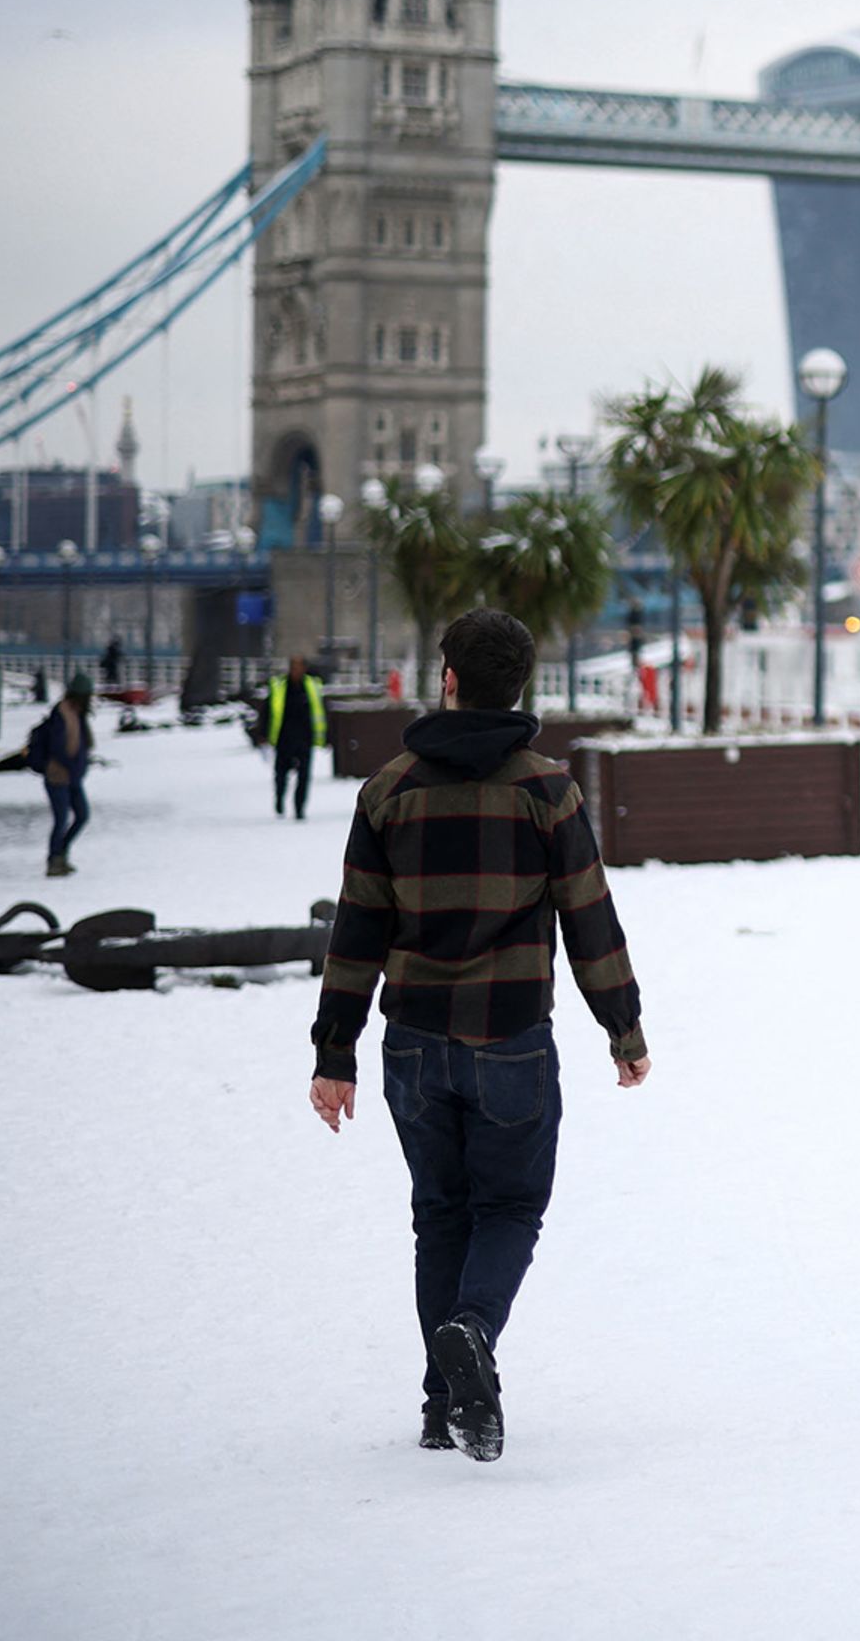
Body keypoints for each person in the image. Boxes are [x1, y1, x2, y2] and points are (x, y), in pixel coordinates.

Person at [307, 608, 652, 1464]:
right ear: (521, 686)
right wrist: (624, 1027)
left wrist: (333, 1053)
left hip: (414, 1044)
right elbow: (589, 919)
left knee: (440, 1217)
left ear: (449, 679)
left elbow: (356, 931)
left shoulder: (388, 792)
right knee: (509, 1209)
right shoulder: (547, 792)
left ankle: (441, 1405)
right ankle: (473, 1331)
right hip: (511, 1043)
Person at [23, 672, 95, 877]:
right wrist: (72, 765)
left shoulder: (78, 714)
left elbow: (81, 744)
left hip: (73, 777)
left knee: (82, 816)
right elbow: (57, 747)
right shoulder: (61, 714)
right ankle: (55, 860)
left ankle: (61, 852)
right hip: (58, 776)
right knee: (61, 819)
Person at [264, 655, 330, 819]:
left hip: (304, 738)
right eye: (293, 666)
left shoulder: (312, 686)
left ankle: (299, 808)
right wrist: (264, 734)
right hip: (283, 738)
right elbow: (268, 710)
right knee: (281, 774)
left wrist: (324, 736)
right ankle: (279, 800)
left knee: (304, 776)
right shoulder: (279, 686)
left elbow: (321, 710)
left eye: (299, 666)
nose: (296, 670)